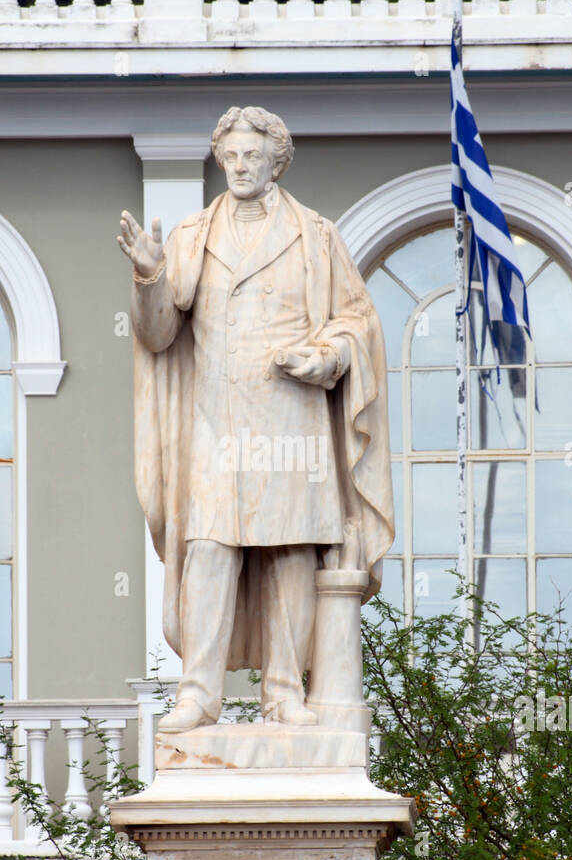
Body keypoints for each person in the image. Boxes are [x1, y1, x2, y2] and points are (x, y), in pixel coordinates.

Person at [118, 106, 393, 733]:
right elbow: (158, 334)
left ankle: (283, 691)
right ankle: (199, 692)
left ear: (277, 163)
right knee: (211, 548)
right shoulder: (191, 236)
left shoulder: (317, 235)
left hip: (291, 416)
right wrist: (148, 272)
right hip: (217, 421)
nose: (239, 167)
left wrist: (328, 355)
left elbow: (358, 321)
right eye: (231, 157)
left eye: (252, 157)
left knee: (292, 551)